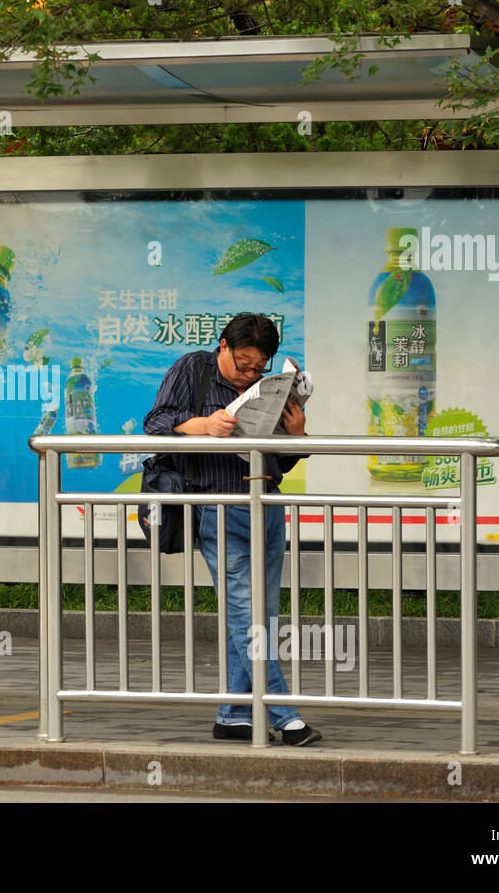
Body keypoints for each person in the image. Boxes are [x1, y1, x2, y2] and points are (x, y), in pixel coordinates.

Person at [143, 312, 321, 746]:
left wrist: (295, 437)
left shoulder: (265, 388)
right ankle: (283, 713)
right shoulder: (193, 369)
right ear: (222, 345)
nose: (249, 373)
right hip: (218, 505)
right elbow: (156, 422)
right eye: (243, 362)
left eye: (260, 366)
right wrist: (204, 426)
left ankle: (234, 714)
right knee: (246, 613)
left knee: (263, 611)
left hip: (266, 500)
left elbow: (279, 460)